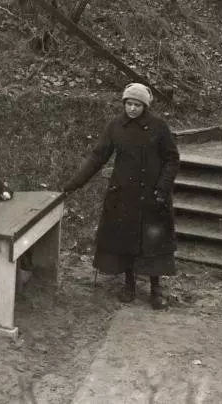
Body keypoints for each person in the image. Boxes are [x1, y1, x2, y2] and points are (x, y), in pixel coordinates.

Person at [62, 83, 180, 310]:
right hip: (124, 193)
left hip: (153, 194)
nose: (132, 109)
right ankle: (129, 284)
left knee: (153, 242)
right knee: (125, 239)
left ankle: (156, 289)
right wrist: (74, 184)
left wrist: (162, 188)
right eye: (129, 104)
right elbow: (98, 157)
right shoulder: (115, 126)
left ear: (145, 106)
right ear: (124, 103)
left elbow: (172, 159)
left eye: (137, 105)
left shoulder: (158, 127)